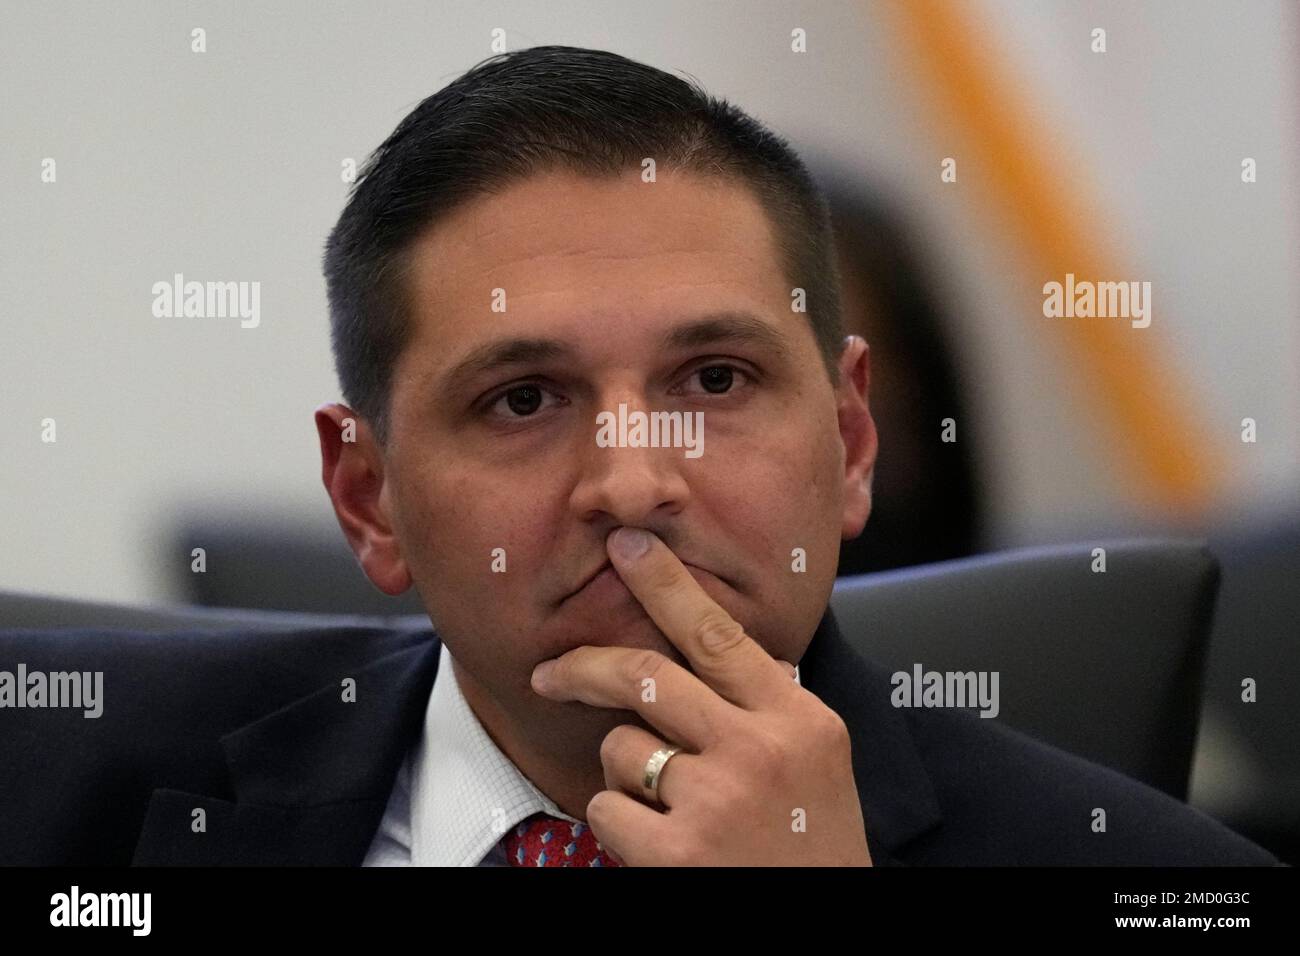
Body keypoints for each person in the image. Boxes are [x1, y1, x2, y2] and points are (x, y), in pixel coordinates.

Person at [0, 45, 1278, 867]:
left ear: (845, 439)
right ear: (367, 496)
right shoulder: (50, 783)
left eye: (712, 381)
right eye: (522, 399)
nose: (631, 480)